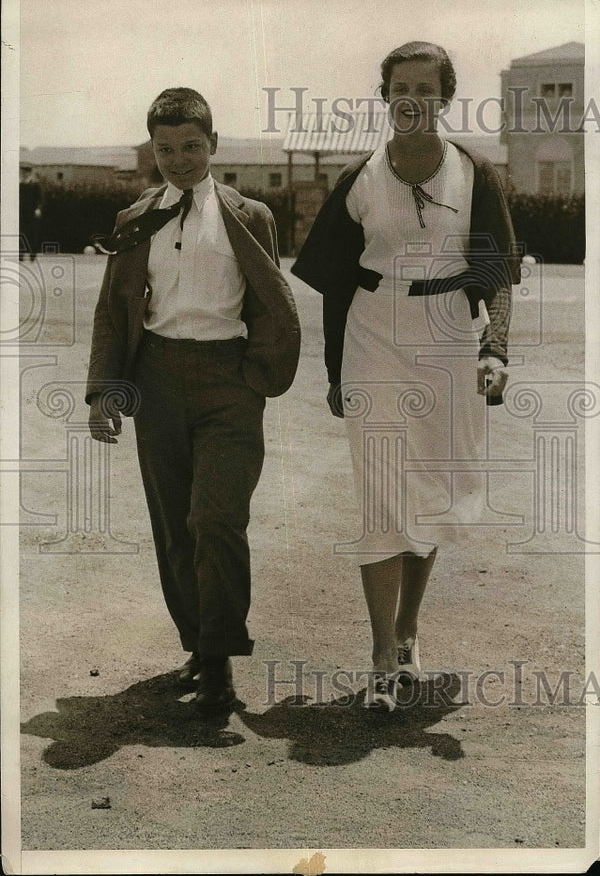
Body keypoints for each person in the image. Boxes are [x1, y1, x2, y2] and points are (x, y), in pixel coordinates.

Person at [291, 42, 521, 711]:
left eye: (425, 87)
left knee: (432, 495)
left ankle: (409, 628)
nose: (411, 98)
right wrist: (338, 371)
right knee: (383, 497)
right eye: (400, 87)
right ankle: (381, 657)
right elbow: (336, 283)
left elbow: (496, 272)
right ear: (386, 95)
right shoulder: (359, 178)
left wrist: (495, 348)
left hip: (448, 335)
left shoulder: (476, 173)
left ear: (445, 97)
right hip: (373, 335)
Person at [87, 88, 301, 713]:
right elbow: (112, 313)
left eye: (190, 146)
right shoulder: (135, 219)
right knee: (176, 526)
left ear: (214, 144)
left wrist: (256, 374)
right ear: (151, 149)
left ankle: (220, 661)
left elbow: (271, 300)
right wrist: (104, 392)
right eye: (165, 148)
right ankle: (198, 643)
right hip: (156, 379)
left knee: (216, 518)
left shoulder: (251, 215)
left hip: (228, 383)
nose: (178, 160)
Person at [19, 163, 43, 261]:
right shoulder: (20, 185)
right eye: (22, 172)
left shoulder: (36, 185)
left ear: (29, 173)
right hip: (22, 213)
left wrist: (38, 208)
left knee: (32, 234)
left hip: (32, 213)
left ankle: (32, 255)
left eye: (25, 172)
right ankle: (21, 255)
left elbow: (40, 199)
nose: (23, 174)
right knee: (21, 234)